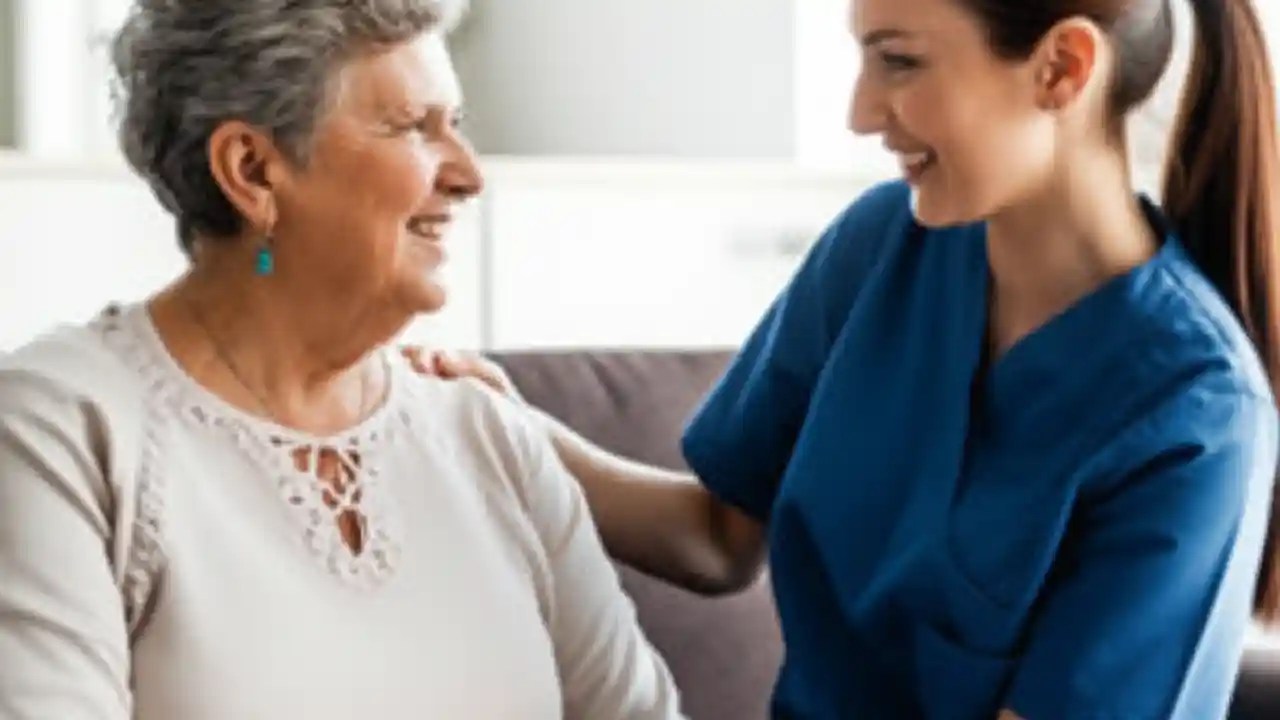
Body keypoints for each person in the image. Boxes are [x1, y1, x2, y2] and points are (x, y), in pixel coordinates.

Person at [414, 0, 1280, 717]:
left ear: (1061, 69)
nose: (860, 112)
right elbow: (719, 539)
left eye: (898, 61)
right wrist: (506, 427)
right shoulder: (883, 245)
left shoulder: (1197, 412)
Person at [0, 2, 683, 719]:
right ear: (253, 170)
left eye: (458, 124)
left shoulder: (491, 435)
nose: (467, 174)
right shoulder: (59, 433)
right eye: (415, 127)